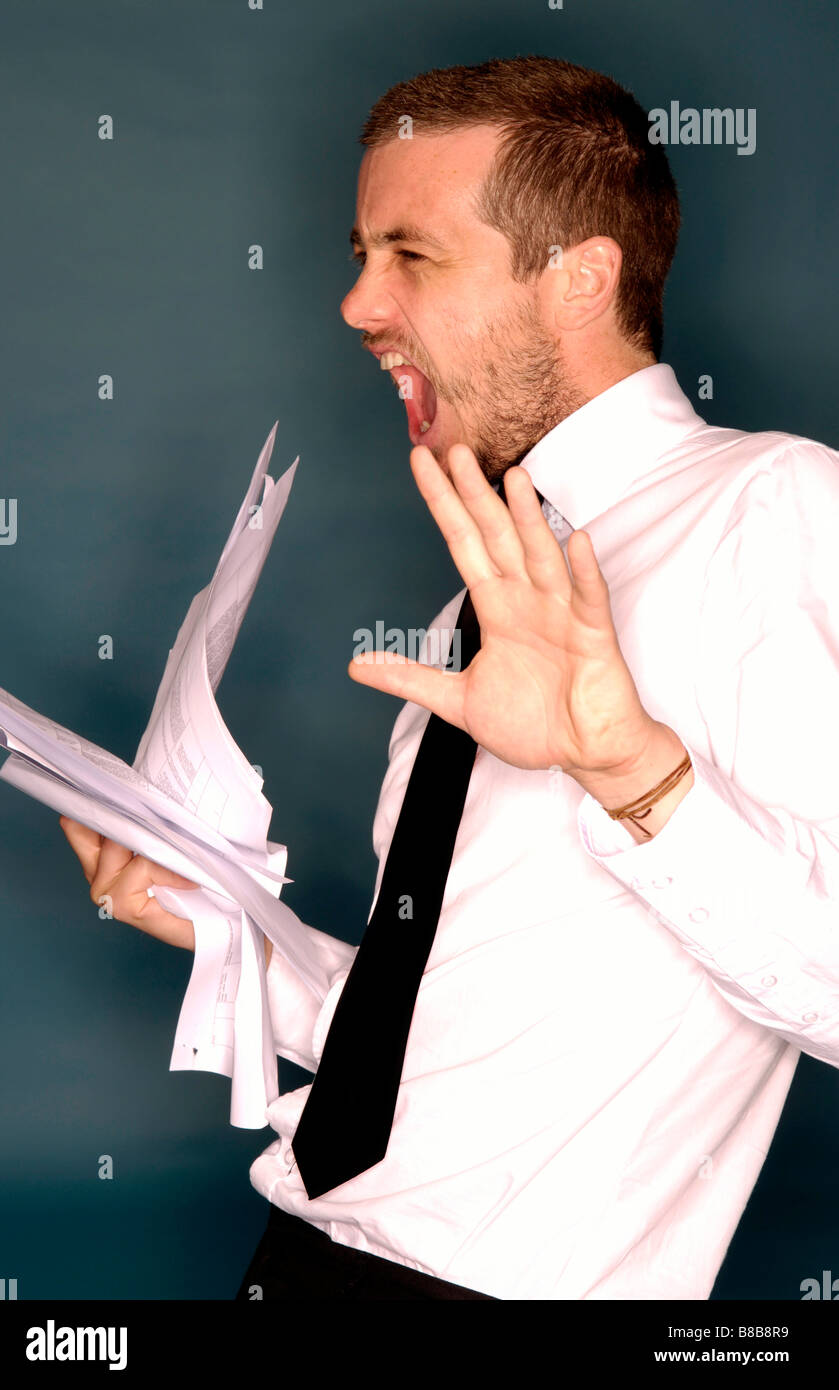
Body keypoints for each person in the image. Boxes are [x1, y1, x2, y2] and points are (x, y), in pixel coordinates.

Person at [60, 56, 839, 1300]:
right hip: (300, 1259)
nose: (357, 305)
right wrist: (210, 923)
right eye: (360, 252)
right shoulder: (482, 603)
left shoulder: (773, 507)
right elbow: (422, 1037)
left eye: (409, 255)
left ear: (579, 277)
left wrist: (628, 770)